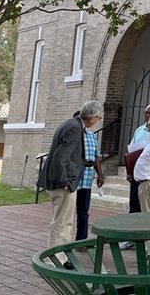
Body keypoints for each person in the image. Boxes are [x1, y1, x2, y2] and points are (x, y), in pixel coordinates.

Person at [39, 100, 104, 249]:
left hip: (62, 181)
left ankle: (59, 256)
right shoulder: (75, 128)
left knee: (61, 222)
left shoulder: (71, 124)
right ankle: (57, 257)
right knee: (63, 223)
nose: (97, 121)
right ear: (92, 117)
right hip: (62, 183)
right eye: (98, 118)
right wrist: (64, 181)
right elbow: (60, 157)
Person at [75, 116, 104, 245]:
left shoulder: (92, 136)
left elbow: (96, 156)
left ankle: (81, 242)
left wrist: (100, 175)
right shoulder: (73, 135)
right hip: (73, 179)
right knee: (68, 212)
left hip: (87, 178)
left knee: (83, 212)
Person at [127, 103, 150, 215]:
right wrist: (129, 171)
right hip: (136, 173)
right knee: (134, 207)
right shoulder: (139, 130)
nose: (148, 115)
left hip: (149, 176)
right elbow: (131, 151)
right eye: (147, 113)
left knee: (146, 210)